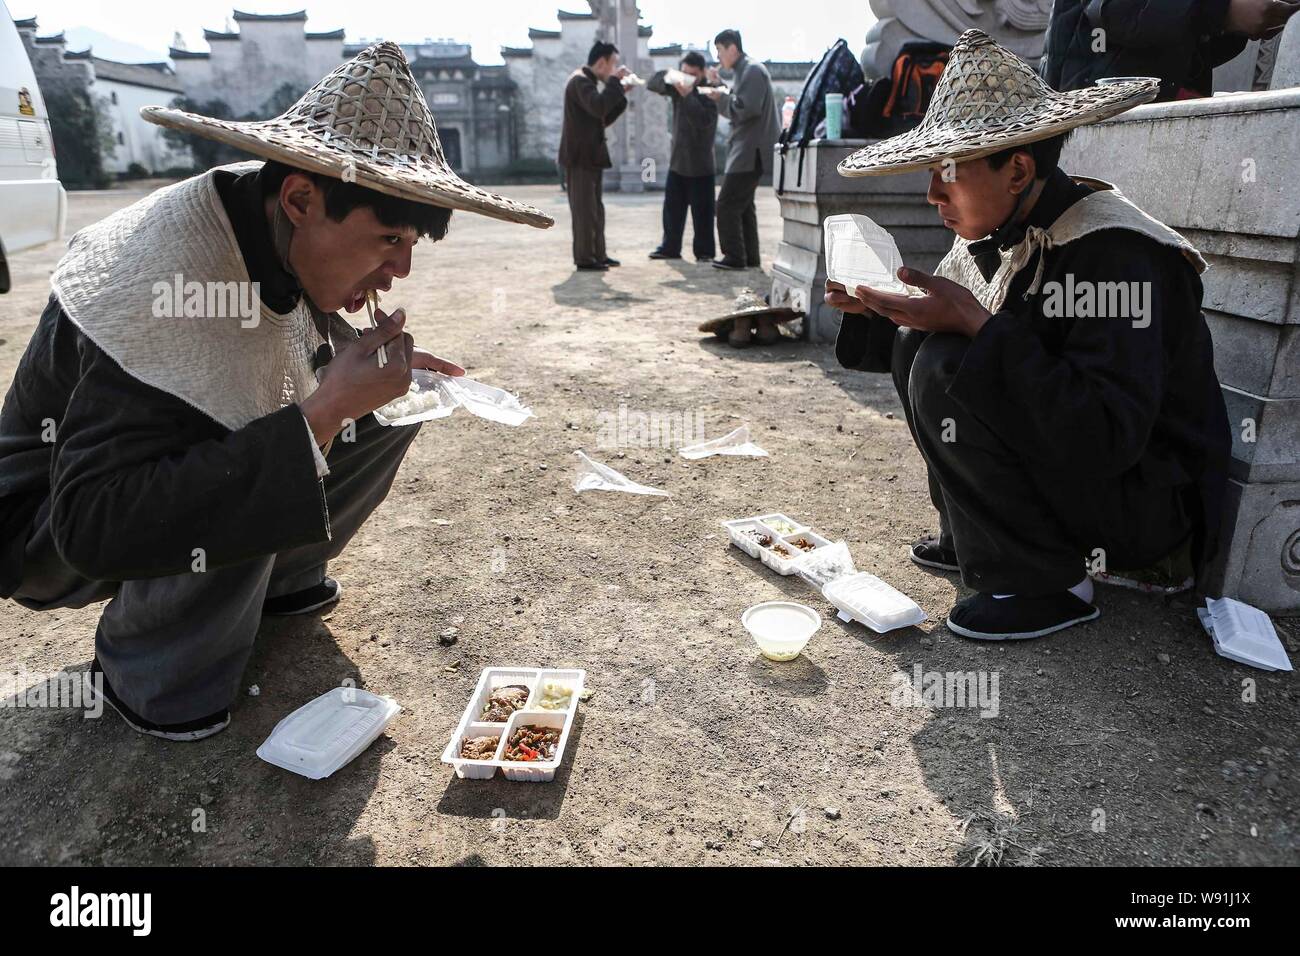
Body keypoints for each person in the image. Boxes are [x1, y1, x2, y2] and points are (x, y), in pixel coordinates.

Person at [0, 42, 552, 740]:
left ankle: (283, 578)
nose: (401, 270)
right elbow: (91, 525)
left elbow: (283, 329)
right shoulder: (170, 287)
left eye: (411, 243)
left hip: (108, 498)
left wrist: (356, 368)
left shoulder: (260, 207)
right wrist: (320, 411)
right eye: (388, 238)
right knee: (276, 442)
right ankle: (153, 673)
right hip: (41, 526)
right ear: (300, 198)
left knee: (391, 404)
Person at [827, 30, 1231, 641]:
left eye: (947, 172)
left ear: (1016, 170)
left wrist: (975, 325)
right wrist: (875, 312)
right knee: (921, 346)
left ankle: (1049, 580)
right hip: (1081, 480)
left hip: (1142, 506)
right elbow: (946, 350)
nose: (932, 193)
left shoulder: (1116, 254)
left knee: (948, 363)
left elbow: (1105, 435)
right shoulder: (993, 232)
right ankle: (980, 539)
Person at [1040, 0, 1298, 99]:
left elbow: (1187, 51)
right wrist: (1221, 11)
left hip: (1158, 104)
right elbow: (1116, 12)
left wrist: (1234, 26)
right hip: (1098, 114)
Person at [701, 29, 781, 272]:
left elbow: (746, 109)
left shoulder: (752, 70)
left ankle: (734, 256)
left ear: (732, 48)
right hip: (749, 148)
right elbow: (742, 100)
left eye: (720, 50)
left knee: (726, 204)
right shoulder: (747, 70)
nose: (719, 57)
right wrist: (721, 87)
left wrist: (719, 98)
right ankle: (749, 257)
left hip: (750, 149)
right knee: (743, 205)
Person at [558, 40, 631, 271]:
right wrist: (615, 85)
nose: (614, 70)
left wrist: (619, 91)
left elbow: (600, 119)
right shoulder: (580, 81)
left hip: (589, 157)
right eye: (613, 65)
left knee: (595, 210)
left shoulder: (585, 82)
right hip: (580, 159)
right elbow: (599, 107)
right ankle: (585, 259)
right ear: (601, 63)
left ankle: (598, 255)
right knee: (584, 211)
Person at [646, 51, 719, 263]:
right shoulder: (678, 87)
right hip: (678, 162)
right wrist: (671, 75)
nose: (689, 78)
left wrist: (688, 95)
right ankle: (670, 247)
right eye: (685, 72)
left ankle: (704, 252)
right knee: (672, 211)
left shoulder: (710, 91)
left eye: (693, 74)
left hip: (702, 165)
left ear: (702, 73)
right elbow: (652, 83)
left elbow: (704, 121)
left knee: (703, 215)